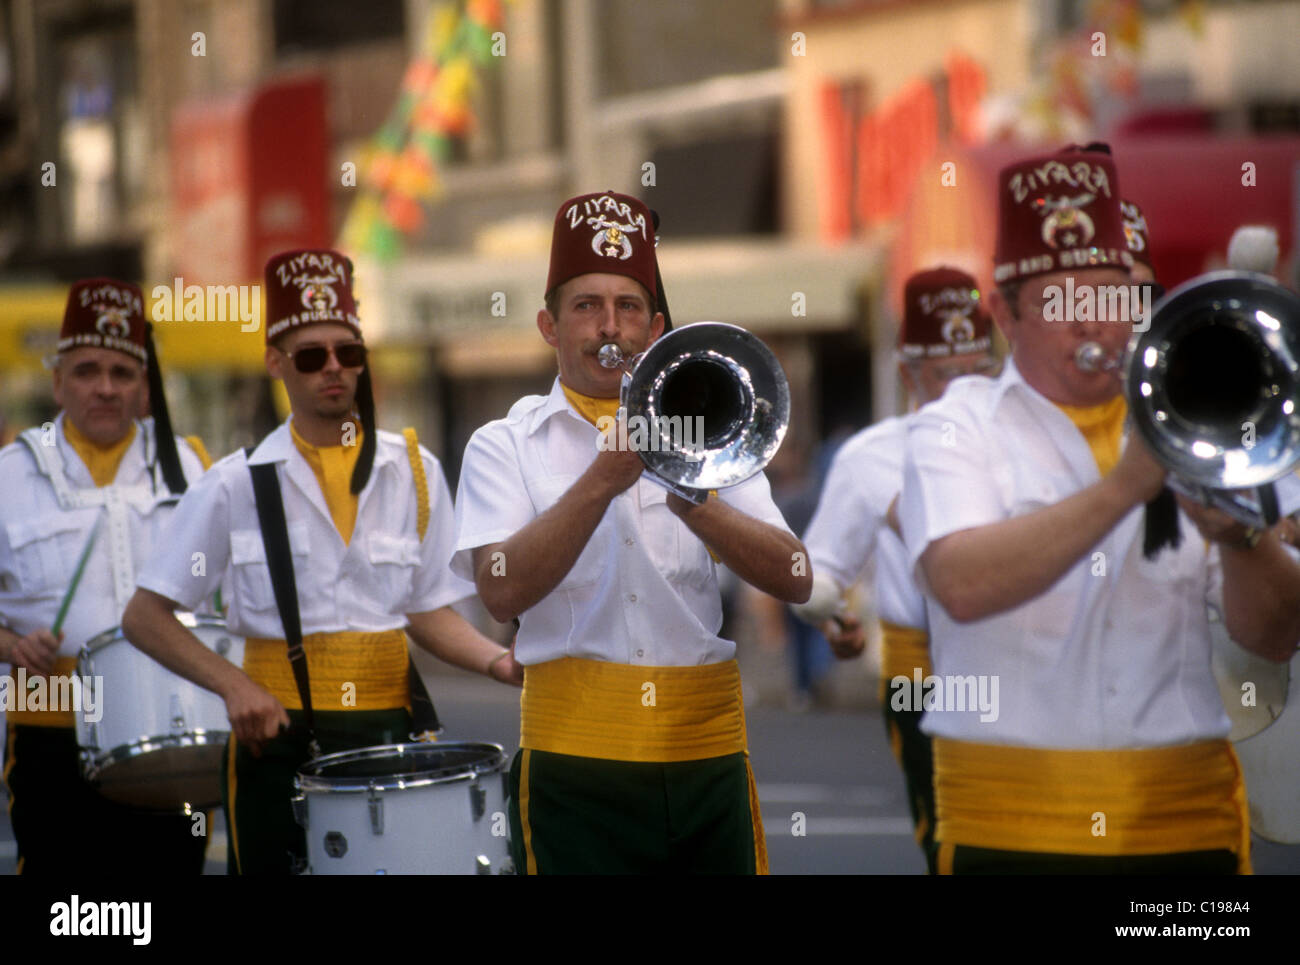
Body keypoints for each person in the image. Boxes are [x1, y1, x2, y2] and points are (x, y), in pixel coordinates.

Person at [898, 144, 1300, 874]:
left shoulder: (1197, 418)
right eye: (1062, 302)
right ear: (1004, 313)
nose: (1097, 327)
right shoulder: (956, 426)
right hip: (1010, 830)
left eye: (1111, 298)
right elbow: (962, 584)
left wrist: (1240, 537)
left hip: (1186, 824)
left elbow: (1275, 637)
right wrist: (1125, 487)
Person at [122, 249, 522, 875]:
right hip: (275, 738)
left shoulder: (415, 472)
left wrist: (497, 662)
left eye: (348, 352)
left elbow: (425, 611)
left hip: (390, 733)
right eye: (311, 356)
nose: (333, 369)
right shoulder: (235, 484)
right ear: (275, 363)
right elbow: (146, 616)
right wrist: (234, 686)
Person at [452, 191, 811, 874]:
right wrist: (601, 479)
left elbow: (796, 576)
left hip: (707, 756)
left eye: (628, 307)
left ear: (657, 327)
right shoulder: (504, 444)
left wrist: (693, 497)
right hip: (572, 763)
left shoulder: (709, 428)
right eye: (585, 306)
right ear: (548, 326)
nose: (608, 327)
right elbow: (500, 594)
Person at [0, 278, 211, 875]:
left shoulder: (191, 466)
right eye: (88, 370)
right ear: (57, 381)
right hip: (50, 723)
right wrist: (11, 645)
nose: (105, 388)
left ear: (146, 388)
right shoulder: (10, 476)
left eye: (123, 373)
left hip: (171, 725)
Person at [793, 266, 996, 872]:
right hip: (922, 666)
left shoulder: (1021, 437)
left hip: (1014, 653)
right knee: (947, 833)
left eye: (976, 373)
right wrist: (836, 621)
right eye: (945, 375)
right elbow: (819, 569)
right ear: (908, 373)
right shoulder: (868, 457)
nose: (963, 391)